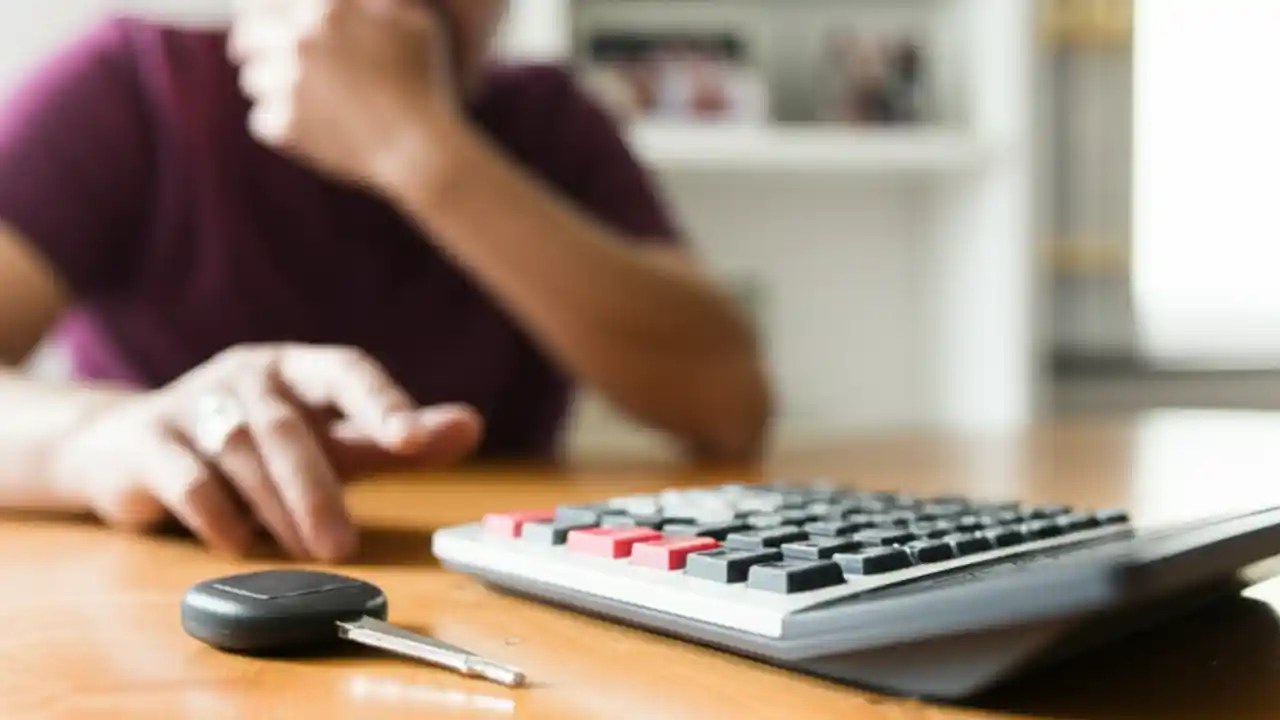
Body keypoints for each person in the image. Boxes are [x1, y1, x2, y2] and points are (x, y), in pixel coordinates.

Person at [0, 0, 770, 562]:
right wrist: (100, 438)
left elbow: (729, 401)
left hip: (509, 603)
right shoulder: (130, 89)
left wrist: (415, 146)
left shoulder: (551, 122)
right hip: (172, 592)